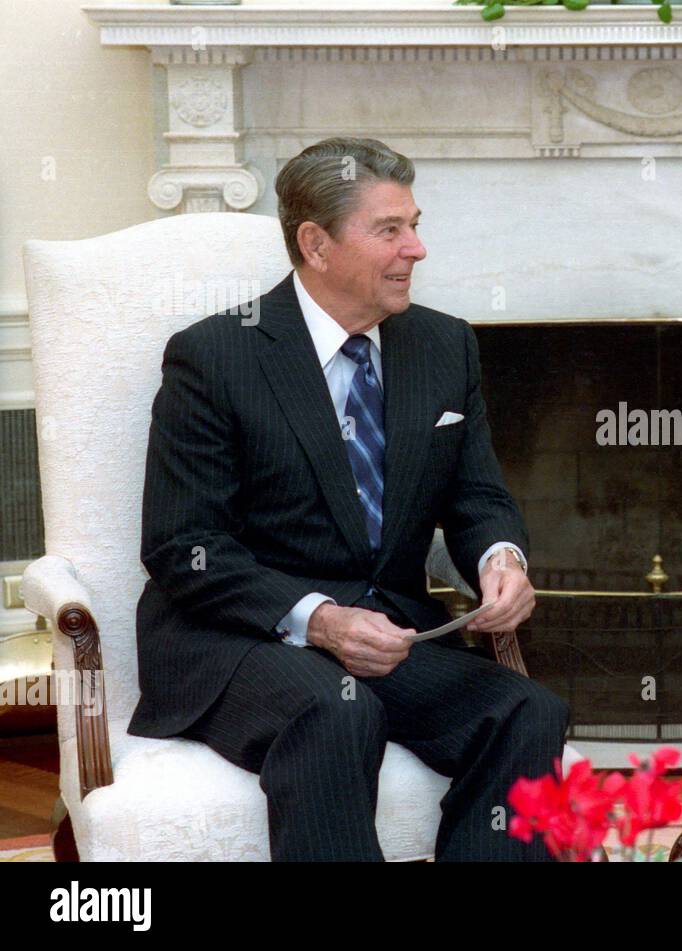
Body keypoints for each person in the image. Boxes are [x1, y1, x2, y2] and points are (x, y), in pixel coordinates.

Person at [127, 137, 569, 861]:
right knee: (338, 712)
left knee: (528, 709)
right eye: (389, 230)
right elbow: (184, 546)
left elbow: (477, 496)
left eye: (414, 225)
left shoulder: (444, 345)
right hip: (241, 637)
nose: (416, 248)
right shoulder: (216, 356)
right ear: (316, 244)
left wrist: (501, 558)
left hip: (389, 634)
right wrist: (323, 620)